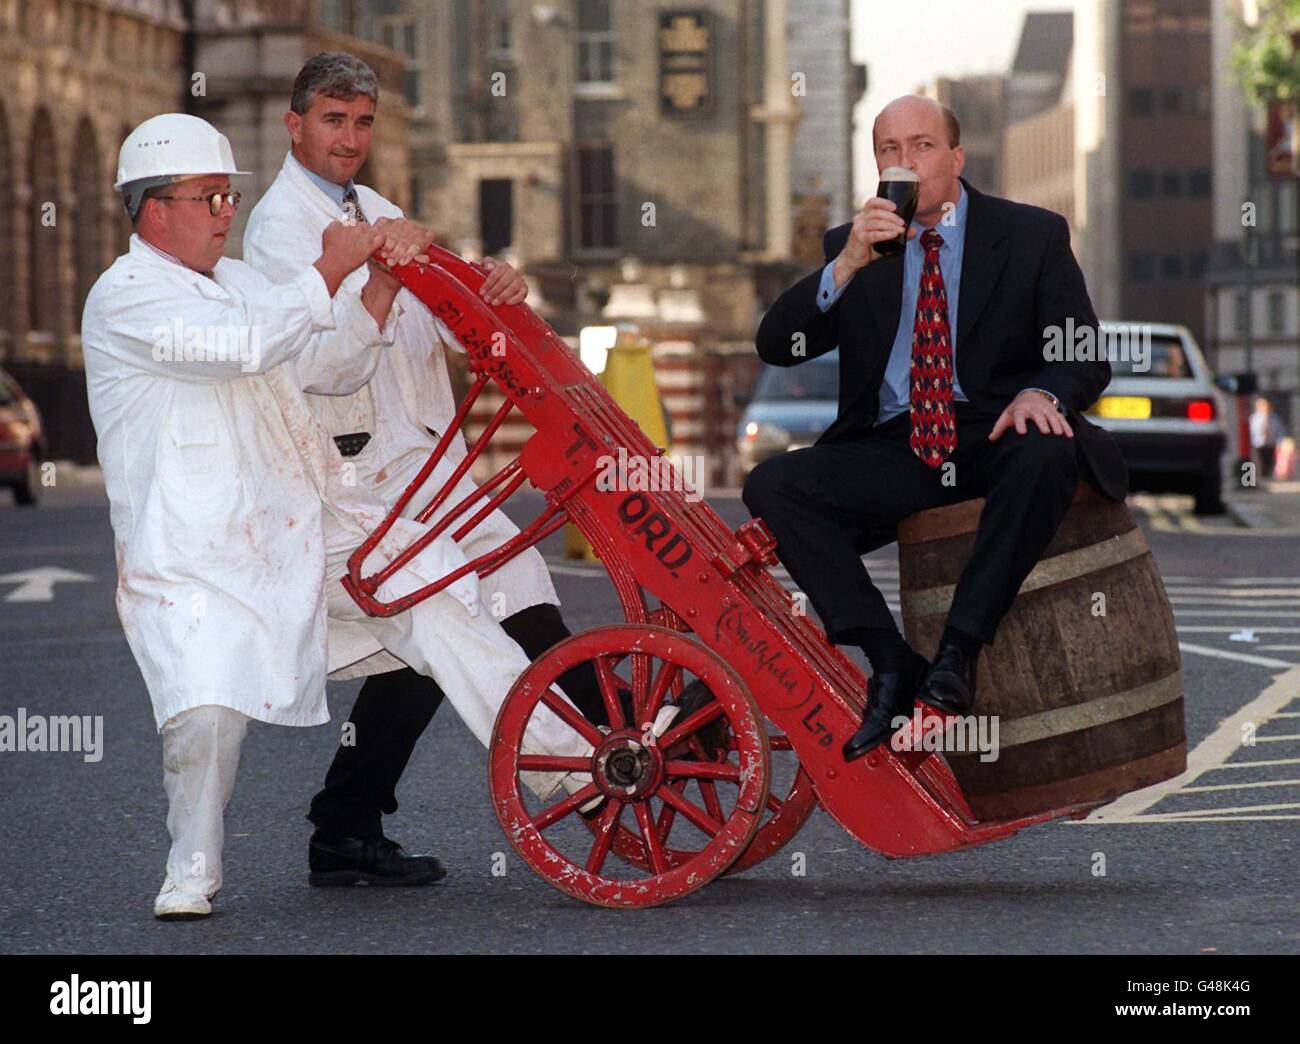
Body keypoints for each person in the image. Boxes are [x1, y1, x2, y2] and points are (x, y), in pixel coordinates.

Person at [85, 114, 593, 921]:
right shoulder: (126, 297)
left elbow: (327, 366)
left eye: (229, 195)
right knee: (207, 719)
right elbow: (242, 346)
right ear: (153, 207)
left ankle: (574, 766)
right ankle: (191, 867)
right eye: (210, 196)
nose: (226, 211)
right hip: (199, 555)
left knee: (437, 598)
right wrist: (329, 268)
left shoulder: (243, 280)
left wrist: (379, 290)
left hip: (303, 526)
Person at [243, 53, 643, 882]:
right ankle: (613, 748)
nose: (349, 138)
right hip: (362, 471)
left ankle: (347, 825)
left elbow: (452, 314)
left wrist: (499, 286)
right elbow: (319, 367)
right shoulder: (276, 234)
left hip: (425, 462)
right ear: (294, 125)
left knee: (475, 606)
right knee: (452, 611)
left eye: (361, 122)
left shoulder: (377, 207)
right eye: (331, 119)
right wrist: (383, 282)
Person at [742, 95, 1127, 762]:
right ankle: (890, 662)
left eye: (921, 146)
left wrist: (1043, 390)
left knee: (1046, 448)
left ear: (955, 157)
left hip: (993, 428)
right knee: (775, 483)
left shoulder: (1031, 234)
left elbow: (1084, 354)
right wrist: (846, 265)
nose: (905, 162)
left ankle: (957, 656)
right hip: (896, 442)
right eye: (888, 150)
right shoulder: (856, 245)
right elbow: (781, 345)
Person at [1249, 396, 1287, 477]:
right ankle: (1261, 476)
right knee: (1260, 461)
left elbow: (1280, 430)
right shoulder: (1254, 418)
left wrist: (1280, 441)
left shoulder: (1274, 418)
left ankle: (1268, 476)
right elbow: (1251, 432)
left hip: (1271, 443)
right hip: (1258, 444)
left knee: (1270, 461)